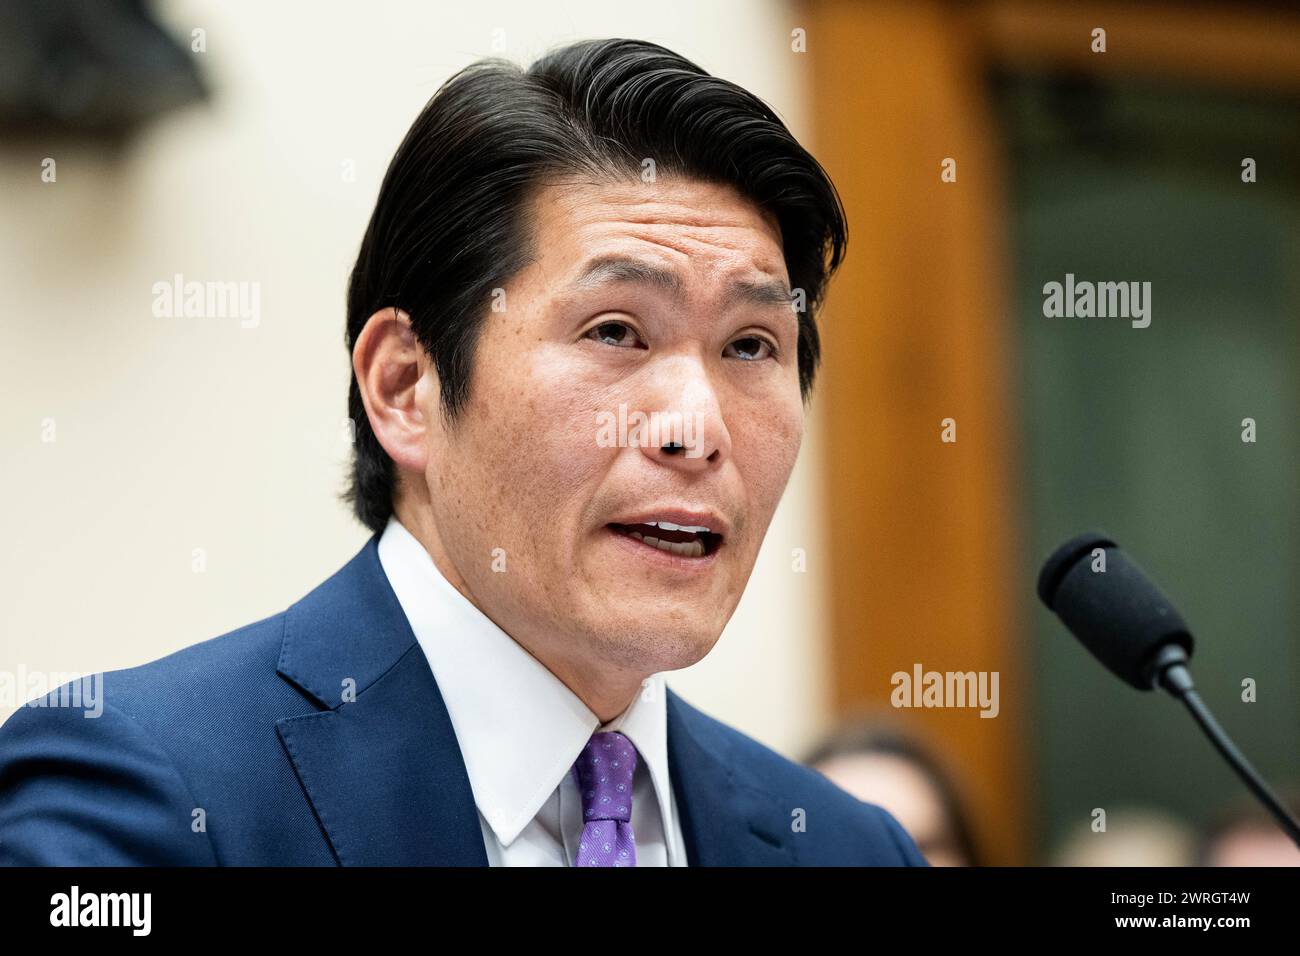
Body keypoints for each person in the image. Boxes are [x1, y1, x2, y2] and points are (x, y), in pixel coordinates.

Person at [0, 38, 926, 867]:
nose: (698, 427)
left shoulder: (847, 844)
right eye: (615, 331)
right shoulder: (147, 794)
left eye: (752, 346)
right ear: (407, 386)